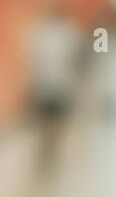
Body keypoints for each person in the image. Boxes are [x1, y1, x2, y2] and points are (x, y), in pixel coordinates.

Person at [30, 10, 82, 169]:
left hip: (50, 85)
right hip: (57, 85)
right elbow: (75, 61)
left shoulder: (44, 34)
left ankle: (47, 145)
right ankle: (51, 146)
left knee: (49, 118)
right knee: (54, 119)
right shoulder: (69, 34)